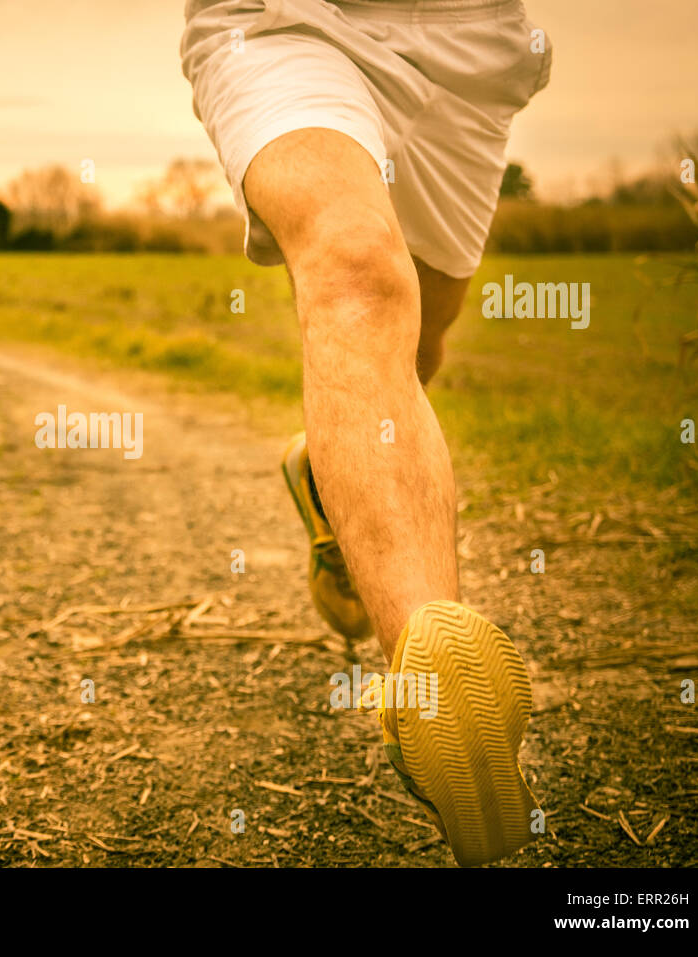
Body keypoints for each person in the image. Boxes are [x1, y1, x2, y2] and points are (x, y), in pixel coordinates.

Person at [181, 0, 552, 866]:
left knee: (418, 347)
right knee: (357, 272)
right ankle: (437, 686)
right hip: (283, 17)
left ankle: (328, 477)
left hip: (470, 38)